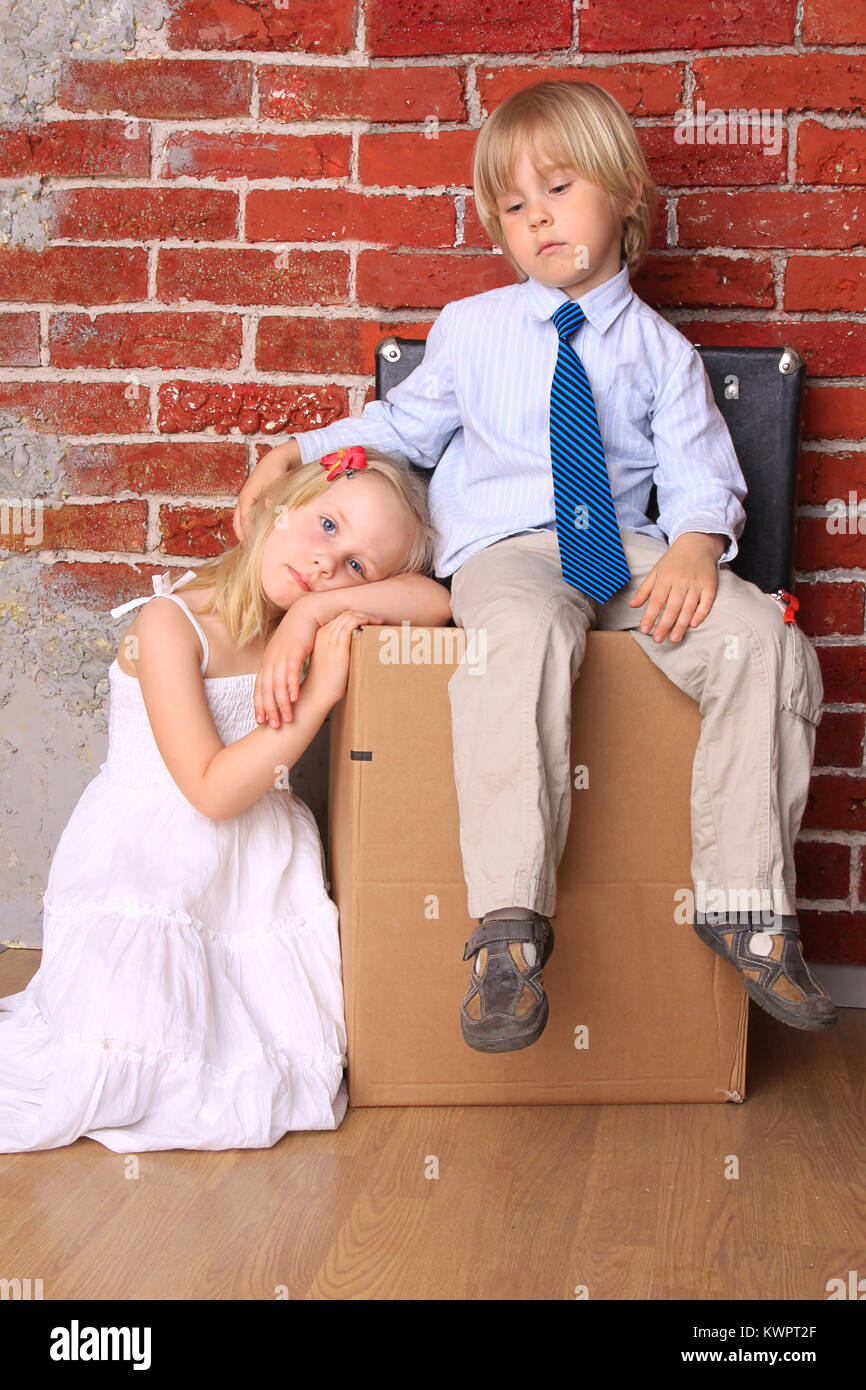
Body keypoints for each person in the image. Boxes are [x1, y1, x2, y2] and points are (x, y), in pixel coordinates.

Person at [232, 80, 835, 1053]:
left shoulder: (659, 352)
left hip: (624, 552)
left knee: (756, 637)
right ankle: (507, 928)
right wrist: (298, 451)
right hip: (507, 552)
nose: (536, 218)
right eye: (513, 207)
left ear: (625, 192)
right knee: (512, 639)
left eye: (557, 189)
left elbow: (700, 477)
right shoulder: (472, 331)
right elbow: (400, 423)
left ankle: (742, 903)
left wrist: (689, 546)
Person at [0, 447, 451, 1152]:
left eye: (360, 566)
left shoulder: (300, 620)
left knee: (290, 1057)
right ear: (281, 503)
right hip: (155, 863)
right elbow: (210, 791)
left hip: (256, 867)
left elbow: (436, 602)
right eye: (329, 527)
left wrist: (314, 615)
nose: (331, 564)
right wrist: (316, 699)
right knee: (128, 1060)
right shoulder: (168, 623)